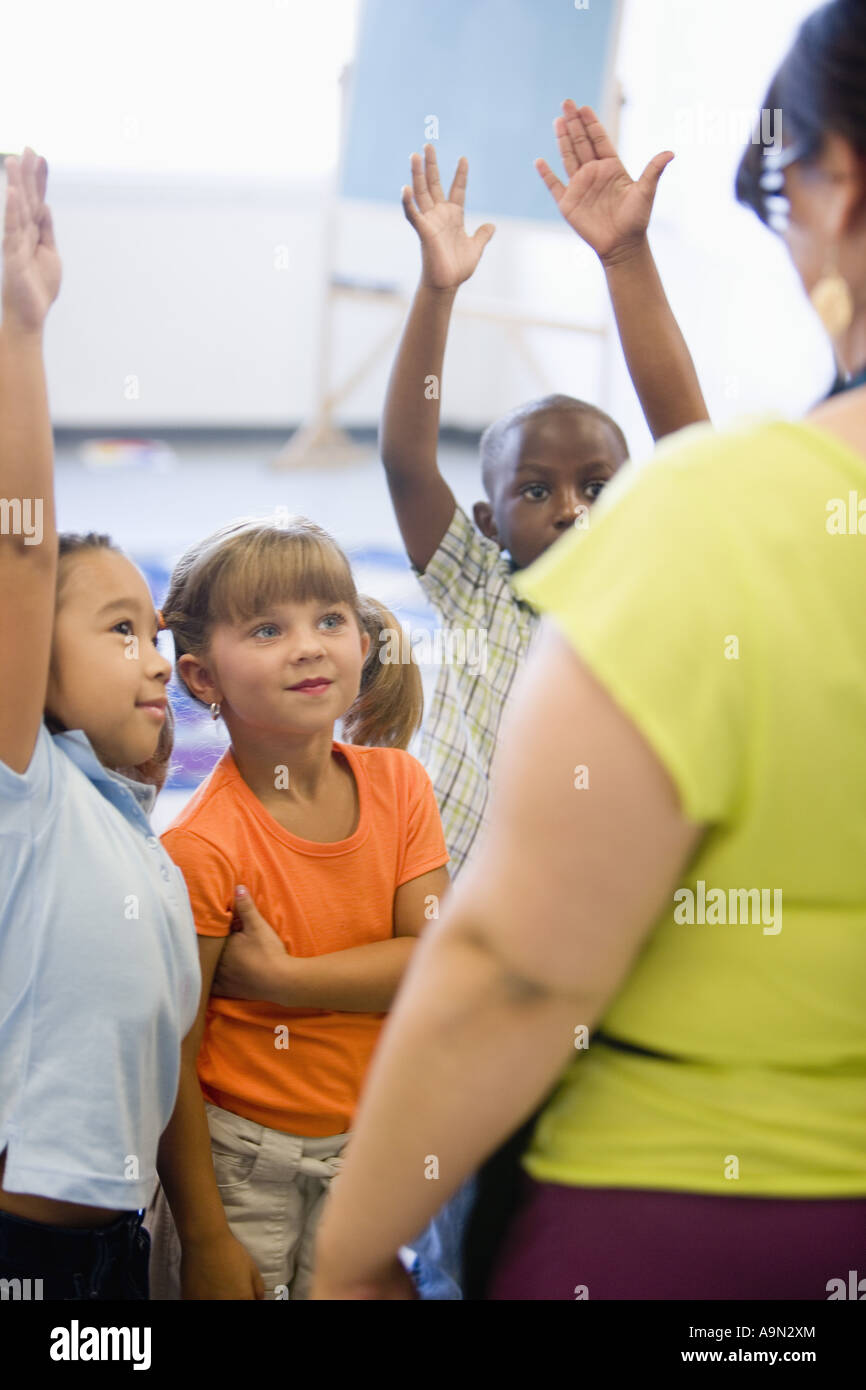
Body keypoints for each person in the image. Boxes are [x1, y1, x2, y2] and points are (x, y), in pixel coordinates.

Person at [309, 0, 866, 1300]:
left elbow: (511, 967)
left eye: (779, 192)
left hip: (680, 1205)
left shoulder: (716, 531)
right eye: (540, 491)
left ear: (836, 191)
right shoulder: (544, 566)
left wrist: (341, 1263)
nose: (570, 511)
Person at [384, 103, 709, 1297]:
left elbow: (691, 458)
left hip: (603, 977)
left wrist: (624, 259)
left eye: (594, 484)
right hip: (461, 965)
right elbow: (408, 461)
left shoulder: (653, 597)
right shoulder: (475, 593)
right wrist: (436, 291)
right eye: (536, 488)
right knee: (463, 1201)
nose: (570, 507)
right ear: (487, 523)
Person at [0, 150, 252, 1299]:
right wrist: (22, 328)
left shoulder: (135, 834)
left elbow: (163, 1062)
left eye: (155, 633)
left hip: (114, 1246)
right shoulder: (29, 794)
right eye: (116, 632)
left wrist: (199, 1234)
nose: (153, 657)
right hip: (25, 1247)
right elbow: (21, 550)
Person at [145, 518, 450, 1299]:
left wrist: (287, 978)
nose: (309, 646)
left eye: (329, 619)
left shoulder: (400, 786)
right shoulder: (202, 848)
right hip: (244, 1164)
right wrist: (207, 1234)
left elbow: (433, 962)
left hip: (368, 1146)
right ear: (203, 678)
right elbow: (171, 1060)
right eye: (267, 628)